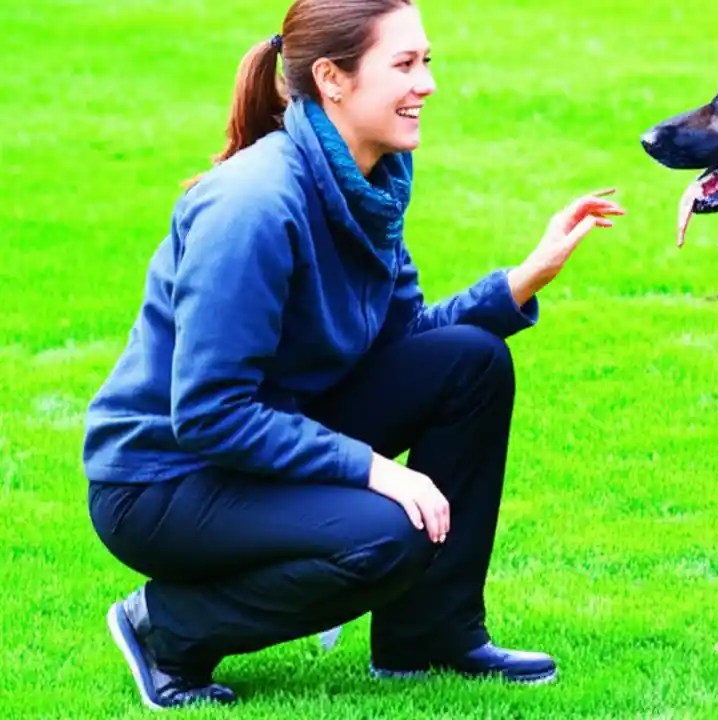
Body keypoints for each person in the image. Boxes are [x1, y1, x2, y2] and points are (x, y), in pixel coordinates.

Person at [84, 0, 623, 709]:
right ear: (333, 80)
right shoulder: (253, 207)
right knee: (389, 535)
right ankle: (166, 629)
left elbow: (405, 341)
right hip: (166, 483)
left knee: (471, 362)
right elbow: (210, 414)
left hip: (263, 436)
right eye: (403, 64)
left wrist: (521, 280)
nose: (426, 83)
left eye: (426, 61)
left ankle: (428, 635)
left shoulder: (371, 180)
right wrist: (372, 472)